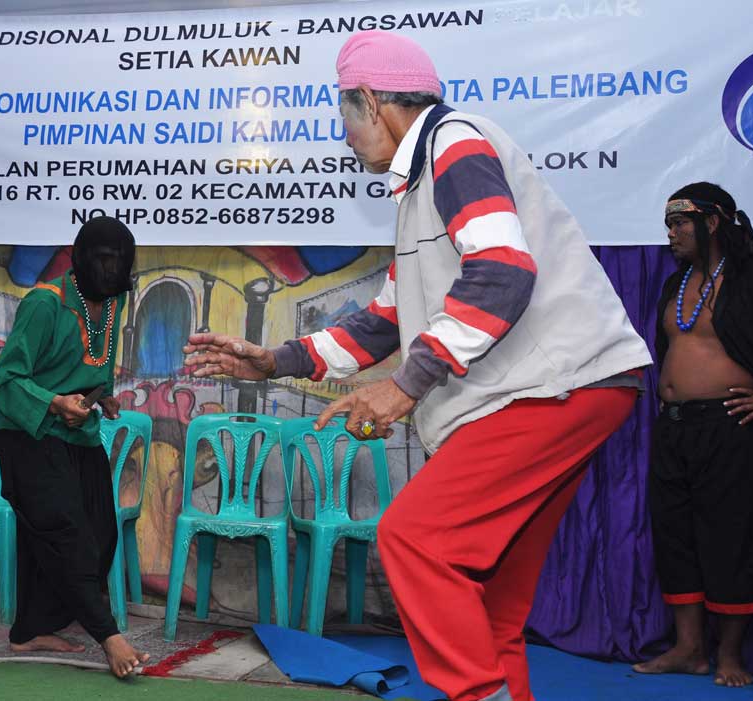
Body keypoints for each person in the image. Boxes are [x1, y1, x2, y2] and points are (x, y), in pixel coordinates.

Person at [184, 30, 652, 701]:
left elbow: (502, 272)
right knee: (491, 607)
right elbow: (386, 321)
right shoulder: (421, 188)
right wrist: (277, 360)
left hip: (552, 387)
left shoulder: (454, 142)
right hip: (571, 389)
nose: (345, 136)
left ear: (371, 102)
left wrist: (404, 387)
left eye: (344, 114)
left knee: (415, 541)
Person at [632, 183, 753, 687]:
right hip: (674, 429)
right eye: (668, 224)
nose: (671, 233)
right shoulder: (676, 282)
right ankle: (689, 650)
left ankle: (729, 655)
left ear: (712, 223)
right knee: (675, 535)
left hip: (731, 427)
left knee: (730, 539)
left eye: (681, 223)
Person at [0, 216, 148, 678]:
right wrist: (55, 402)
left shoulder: (115, 299)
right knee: (67, 535)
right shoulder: (45, 303)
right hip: (30, 433)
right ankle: (109, 637)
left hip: (79, 431)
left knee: (100, 533)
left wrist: (104, 394)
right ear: (81, 259)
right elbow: (7, 381)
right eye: (103, 259)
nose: (111, 269)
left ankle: (30, 630)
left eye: (119, 260)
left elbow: (96, 359)